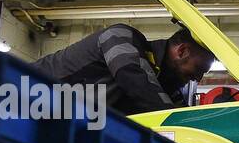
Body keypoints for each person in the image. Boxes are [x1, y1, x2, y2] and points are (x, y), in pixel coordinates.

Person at [32, 24, 214, 115]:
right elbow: (133, 77)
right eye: (199, 69)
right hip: (20, 93)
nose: (197, 79)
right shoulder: (121, 36)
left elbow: (181, 116)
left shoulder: (163, 86)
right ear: (181, 51)